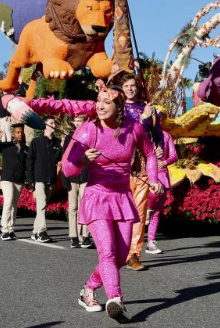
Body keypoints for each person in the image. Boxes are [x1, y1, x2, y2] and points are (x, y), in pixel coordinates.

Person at [62, 83, 161, 321]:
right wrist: (83, 159)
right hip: (96, 197)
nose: (100, 106)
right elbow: (67, 169)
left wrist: (153, 178)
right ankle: (115, 298)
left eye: (107, 102)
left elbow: (149, 154)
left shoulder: (134, 129)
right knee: (107, 251)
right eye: (98, 101)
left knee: (121, 255)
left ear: (119, 106)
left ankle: (88, 288)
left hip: (122, 197)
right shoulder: (88, 130)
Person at [117, 73, 163, 272]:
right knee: (120, 213)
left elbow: (157, 134)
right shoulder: (118, 108)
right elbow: (123, 134)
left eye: (133, 85)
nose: (130, 89)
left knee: (139, 213)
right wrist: (143, 118)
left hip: (143, 167)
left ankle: (133, 254)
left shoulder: (148, 107)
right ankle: (118, 249)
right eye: (126, 86)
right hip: (121, 167)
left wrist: (160, 147)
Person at [0, 123, 28, 241]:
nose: (20, 134)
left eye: (21, 132)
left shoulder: (26, 149)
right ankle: (4, 230)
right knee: (8, 202)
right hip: (6, 178)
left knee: (14, 206)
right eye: (17, 132)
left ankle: (11, 229)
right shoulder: (6, 146)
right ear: (13, 134)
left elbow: (29, 165)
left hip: (19, 180)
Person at [26, 117, 62, 243]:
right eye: (51, 123)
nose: (54, 125)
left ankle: (35, 232)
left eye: (54, 123)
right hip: (39, 179)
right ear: (45, 126)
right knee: (41, 205)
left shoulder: (57, 143)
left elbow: (56, 159)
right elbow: (29, 161)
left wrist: (62, 147)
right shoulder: (36, 141)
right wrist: (31, 181)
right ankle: (41, 232)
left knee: (43, 206)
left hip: (51, 178)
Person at [145, 128, 177, 254]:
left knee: (156, 212)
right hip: (144, 176)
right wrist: (150, 154)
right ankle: (130, 246)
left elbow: (174, 156)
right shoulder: (141, 132)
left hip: (162, 176)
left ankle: (151, 242)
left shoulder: (166, 135)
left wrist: (164, 162)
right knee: (140, 211)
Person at [62, 115, 92, 249]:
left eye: (81, 121)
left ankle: (85, 236)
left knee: (85, 207)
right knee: (73, 207)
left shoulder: (90, 136)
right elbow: (64, 158)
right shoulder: (69, 138)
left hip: (85, 176)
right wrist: (65, 178)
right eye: (77, 120)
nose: (78, 123)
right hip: (72, 176)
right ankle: (74, 236)